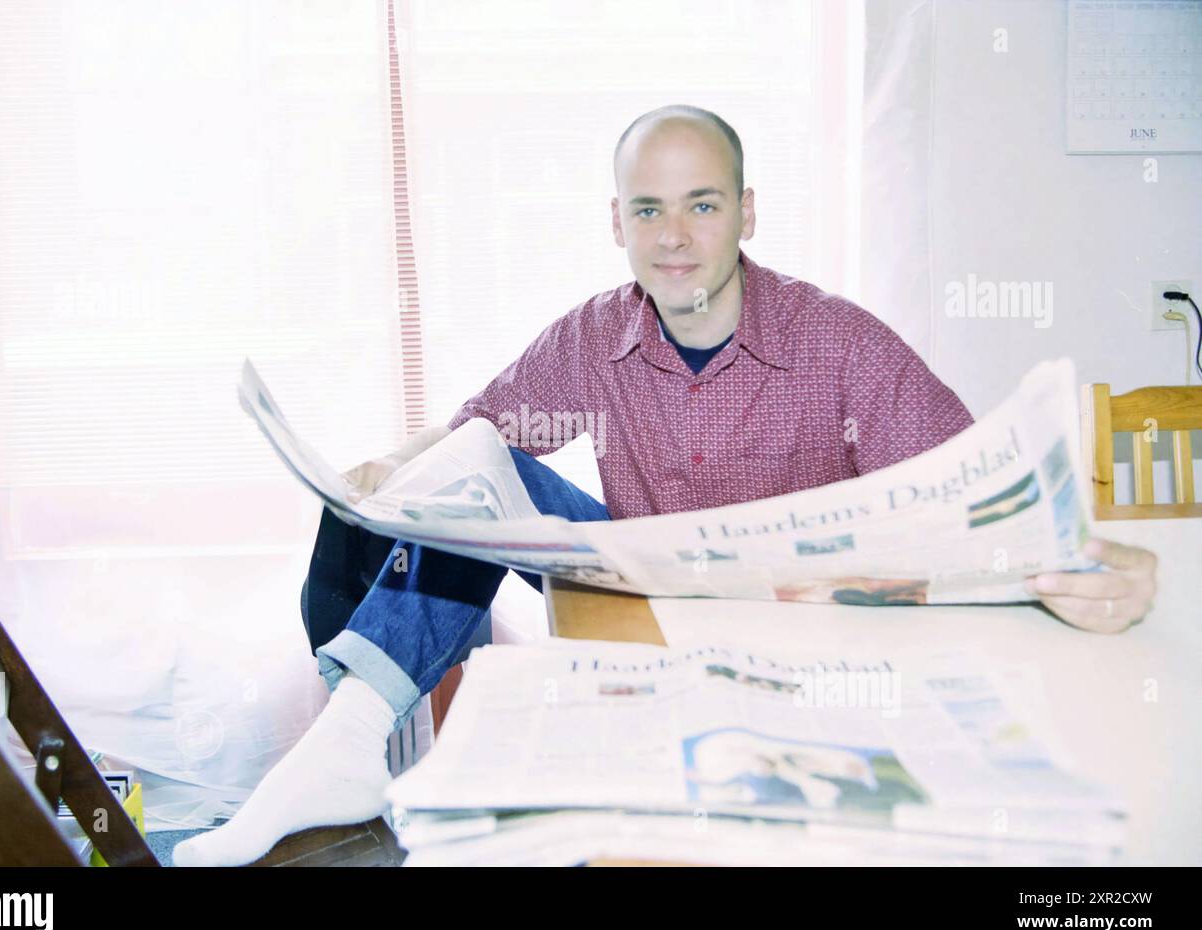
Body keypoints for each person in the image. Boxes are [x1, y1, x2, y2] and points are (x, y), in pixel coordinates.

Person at [172, 105, 1157, 866]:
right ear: (618, 222)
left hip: (787, 624)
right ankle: (348, 742)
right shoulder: (595, 333)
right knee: (470, 459)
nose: (674, 235)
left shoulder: (839, 341)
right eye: (649, 209)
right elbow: (484, 428)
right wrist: (391, 467)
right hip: (638, 586)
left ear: (747, 212)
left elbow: (975, 487)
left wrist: (1096, 559)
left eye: (702, 204)